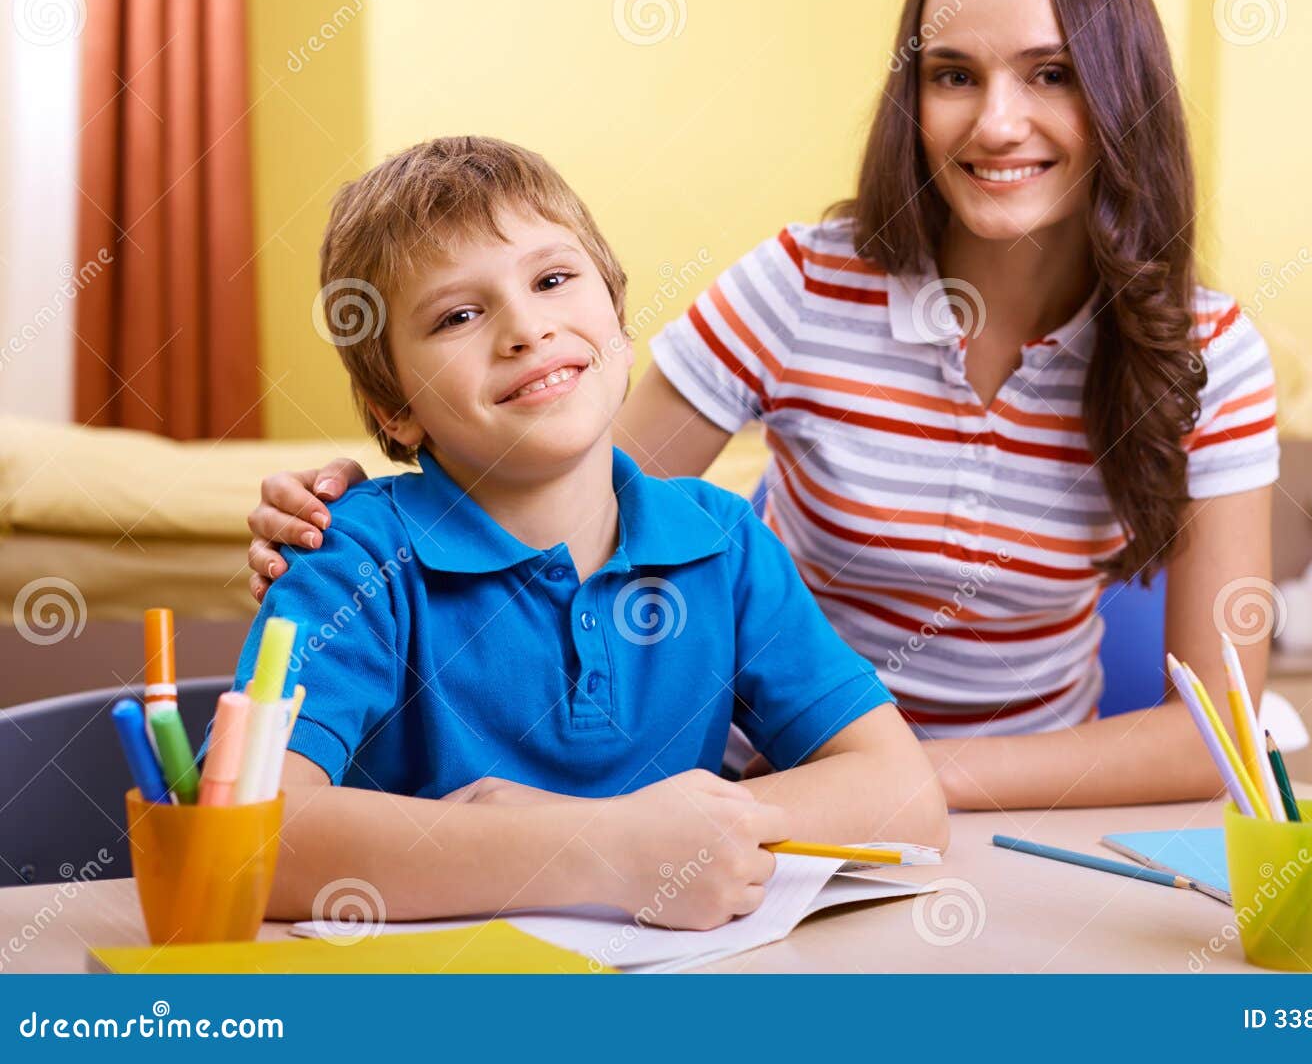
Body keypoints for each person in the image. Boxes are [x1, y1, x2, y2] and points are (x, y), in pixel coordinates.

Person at [245, 0, 1278, 814]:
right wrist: (368, 515)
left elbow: (1210, 733)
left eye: (1050, 73)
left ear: (1121, 90)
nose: (996, 121)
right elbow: (574, 492)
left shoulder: (1210, 351)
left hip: (980, 810)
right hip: (758, 804)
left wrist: (898, 777)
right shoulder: (797, 284)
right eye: (951, 76)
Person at [226, 136, 947, 928]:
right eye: (459, 314)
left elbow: (904, 794)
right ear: (395, 408)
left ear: (621, 319)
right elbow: (245, 839)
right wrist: (603, 850)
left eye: (553, 279)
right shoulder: (353, 560)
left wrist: (688, 839)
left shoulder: (724, 544)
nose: (526, 328)